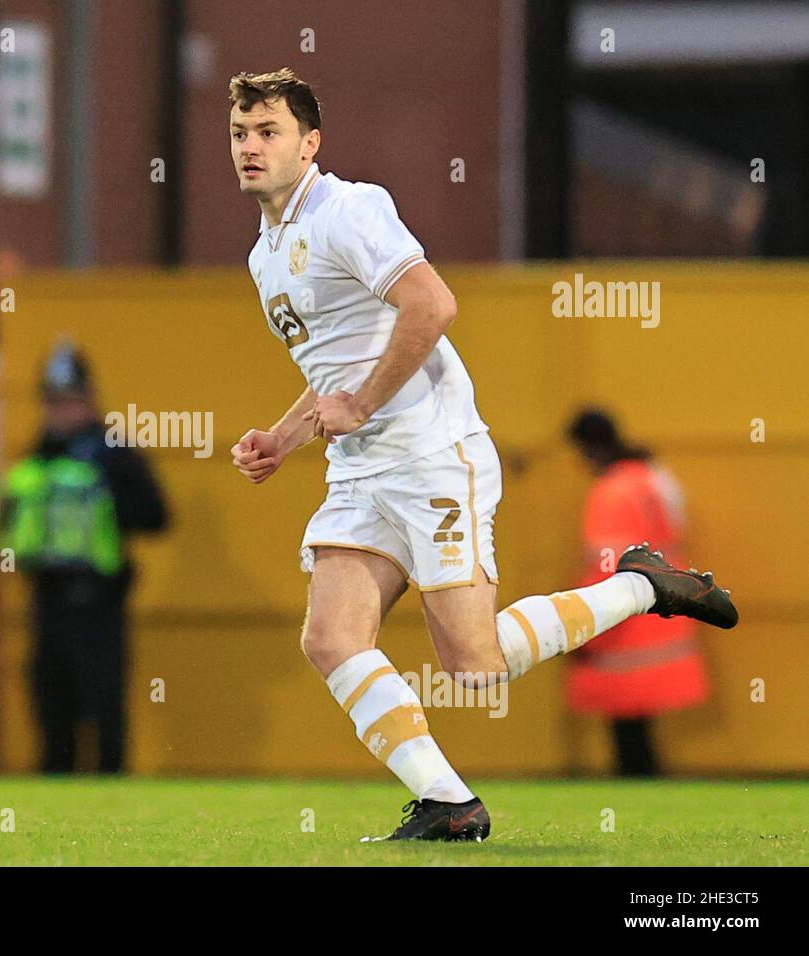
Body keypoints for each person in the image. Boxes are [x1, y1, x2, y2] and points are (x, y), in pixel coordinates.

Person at [225, 68, 737, 842]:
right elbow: (336, 370)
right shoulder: (266, 253)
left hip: (432, 454)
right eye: (239, 134)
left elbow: (431, 304)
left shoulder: (348, 209)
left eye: (269, 132)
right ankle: (448, 803)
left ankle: (642, 584)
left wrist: (359, 407)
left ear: (310, 143)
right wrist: (284, 436)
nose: (251, 147)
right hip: (363, 469)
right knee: (331, 638)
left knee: (476, 662)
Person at [3, 344, 168, 773]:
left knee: (103, 702)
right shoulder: (37, 453)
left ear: (89, 399)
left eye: (69, 400)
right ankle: (55, 798)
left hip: (99, 601)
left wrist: (108, 495)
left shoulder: (111, 451)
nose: (61, 412)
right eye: (53, 401)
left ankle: (110, 796)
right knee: (51, 703)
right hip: (47, 597)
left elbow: (155, 515)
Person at [565, 409, 709, 776]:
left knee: (628, 730)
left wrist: (582, 624)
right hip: (664, 619)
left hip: (626, 630)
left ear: (589, 447)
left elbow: (606, 568)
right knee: (639, 729)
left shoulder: (612, 492)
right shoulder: (652, 480)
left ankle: (638, 781)